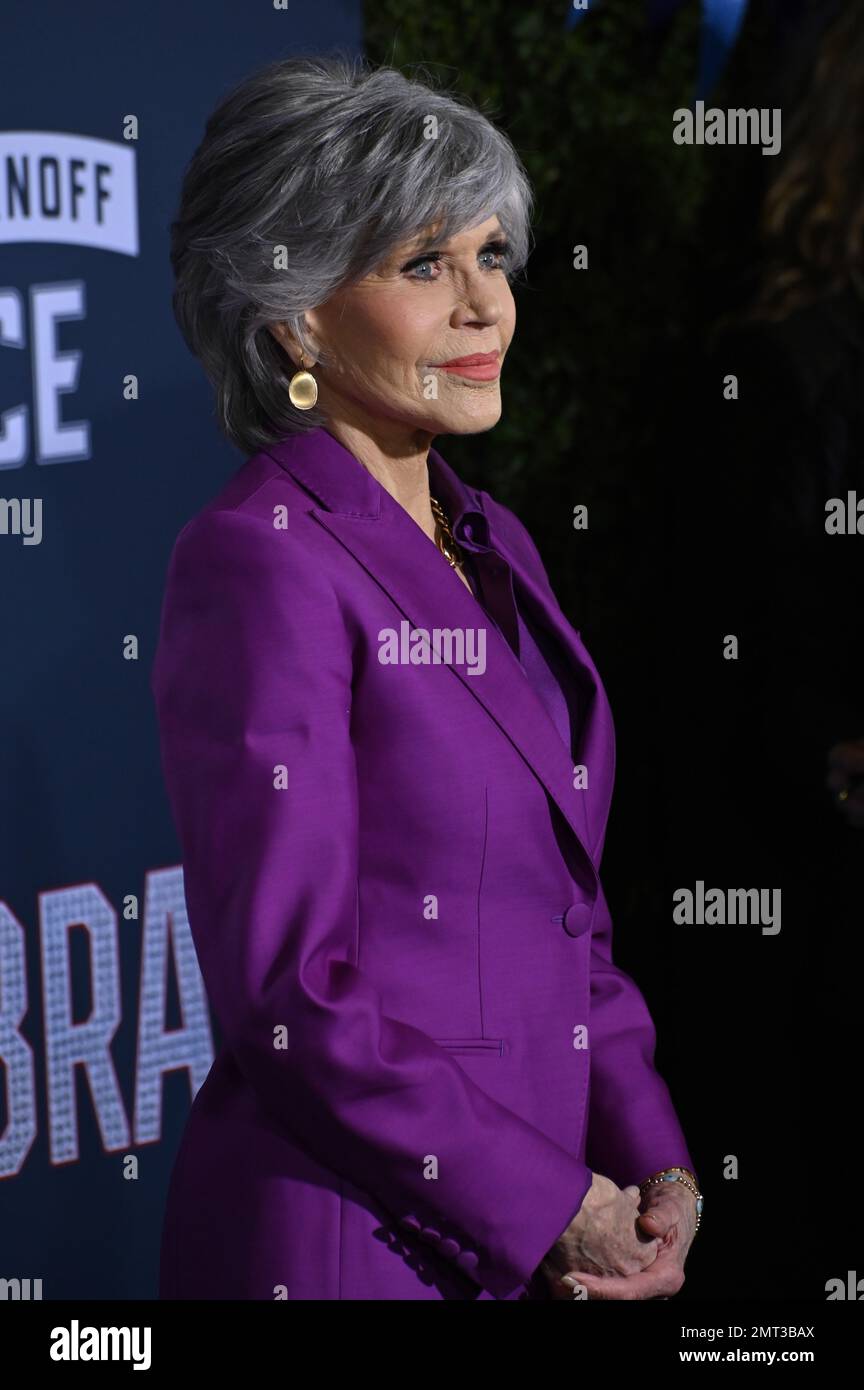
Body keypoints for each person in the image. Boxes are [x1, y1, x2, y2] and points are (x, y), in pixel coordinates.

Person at [151, 53, 699, 1302]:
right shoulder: (261, 562)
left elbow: (567, 920)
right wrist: (554, 1204)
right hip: (353, 1248)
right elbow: (293, 993)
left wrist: (658, 1164)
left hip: (527, 1237)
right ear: (294, 313)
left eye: (493, 256)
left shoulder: (494, 540)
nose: (484, 307)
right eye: (422, 265)